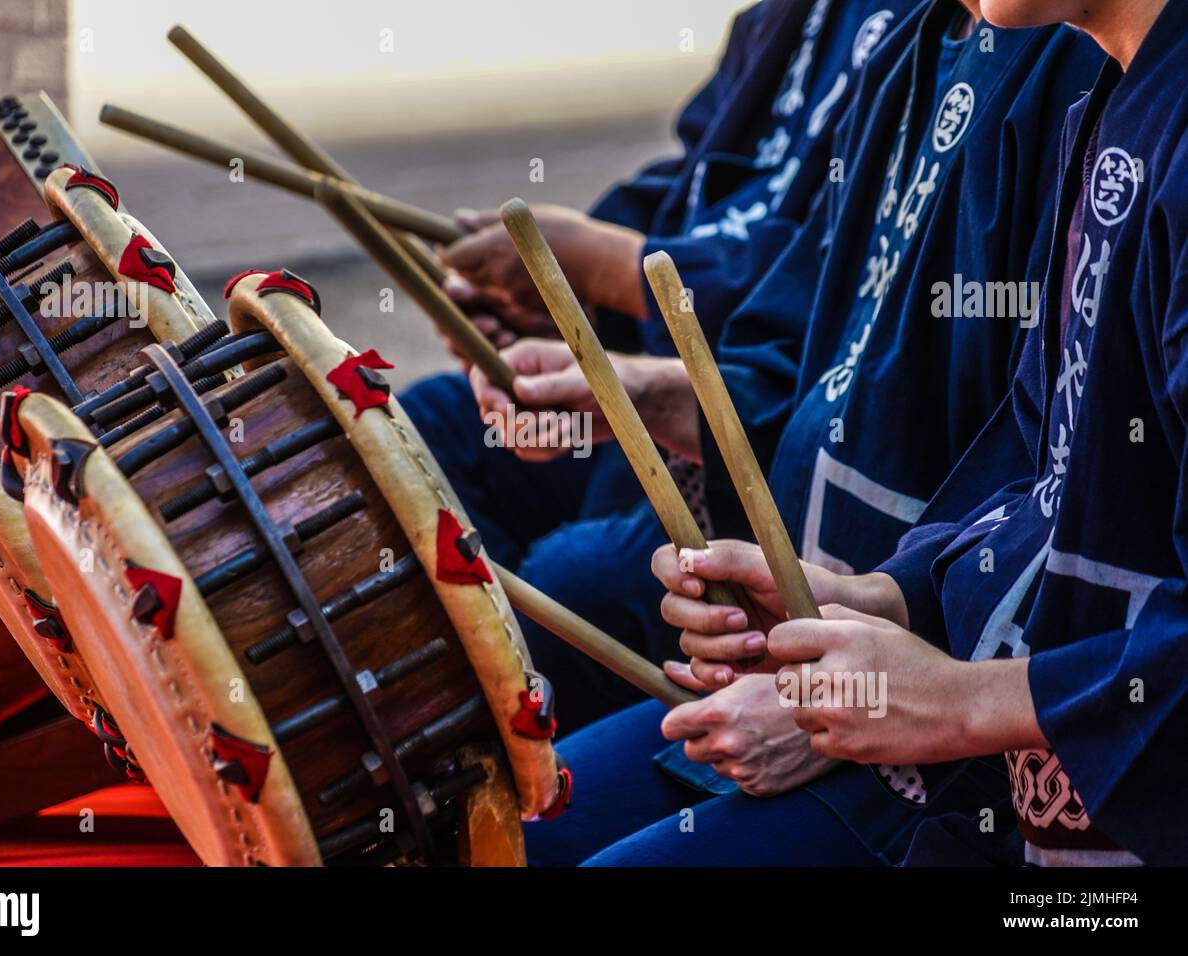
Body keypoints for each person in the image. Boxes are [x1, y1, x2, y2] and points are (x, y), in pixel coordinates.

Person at [523, 0, 1105, 866]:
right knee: (508, 822)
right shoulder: (914, 45)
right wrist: (649, 395)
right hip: (840, 641)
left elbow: (1069, 506)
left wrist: (897, 674)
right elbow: (813, 355)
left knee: (565, 593)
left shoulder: (1088, 79)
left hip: (983, 751)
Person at [405, 0, 920, 730]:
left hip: (782, 432)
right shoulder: (782, 17)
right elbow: (695, 187)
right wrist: (551, 296)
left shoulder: (942, 32)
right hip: (694, 374)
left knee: (568, 583)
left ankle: (517, 752)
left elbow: (831, 279)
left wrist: (610, 270)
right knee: (434, 426)